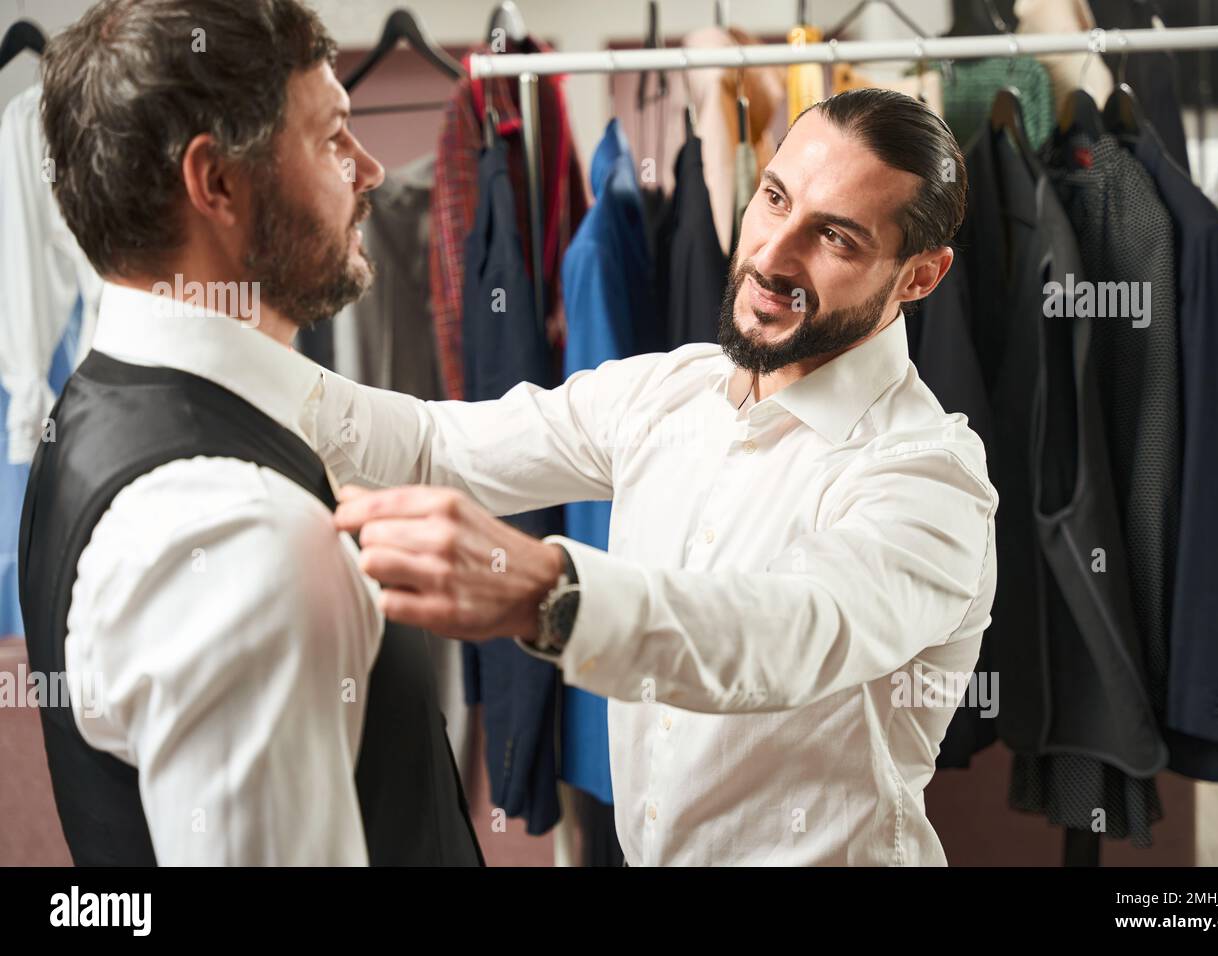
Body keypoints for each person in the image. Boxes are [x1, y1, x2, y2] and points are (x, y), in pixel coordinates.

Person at [322, 87, 999, 866]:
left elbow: (786, 632)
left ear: (919, 277)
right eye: (773, 198)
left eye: (834, 238)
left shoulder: (928, 476)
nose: (773, 257)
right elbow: (436, 443)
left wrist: (550, 594)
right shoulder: (671, 391)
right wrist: (217, 364)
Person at [19, 0, 481, 865]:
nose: (371, 170)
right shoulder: (233, 539)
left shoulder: (100, 401)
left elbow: (435, 441)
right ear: (217, 183)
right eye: (333, 136)